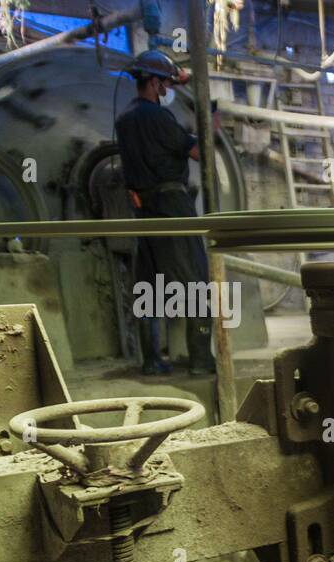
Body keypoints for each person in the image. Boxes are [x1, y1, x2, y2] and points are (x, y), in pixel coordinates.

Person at [114, 49, 215, 375]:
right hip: (172, 204)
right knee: (195, 283)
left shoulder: (124, 120)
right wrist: (209, 119)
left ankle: (151, 361)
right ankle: (201, 361)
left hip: (142, 210)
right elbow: (199, 152)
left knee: (149, 285)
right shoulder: (157, 117)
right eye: (166, 84)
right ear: (155, 83)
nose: (168, 89)